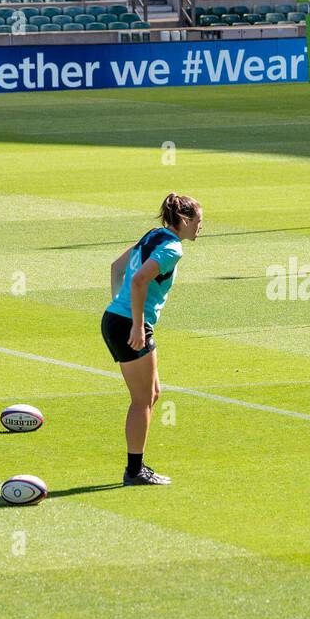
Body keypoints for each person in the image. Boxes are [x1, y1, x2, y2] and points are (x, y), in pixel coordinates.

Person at [102, 193, 202, 486]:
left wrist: (119, 309)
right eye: (198, 221)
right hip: (130, 325)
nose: (200, 227)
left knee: (152, 394)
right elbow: (137, 280)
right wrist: (134, 323)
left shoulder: (154, 235)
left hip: (117, 319)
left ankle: (137, 467)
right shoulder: (171, 248)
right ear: (184, 221)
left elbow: (116, 268)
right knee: (142, 400)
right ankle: (134, 471)